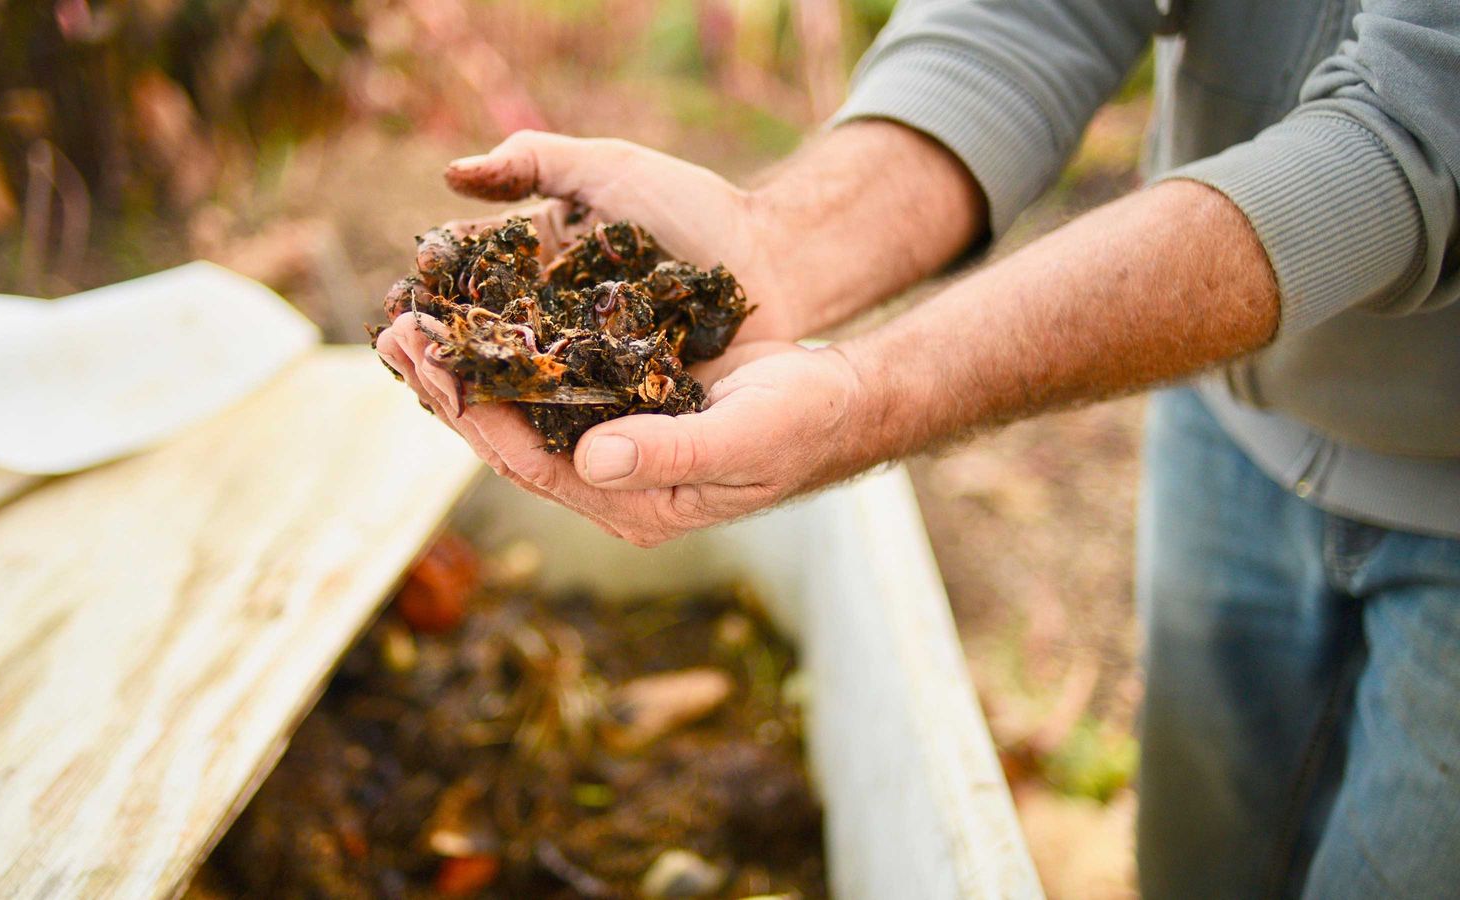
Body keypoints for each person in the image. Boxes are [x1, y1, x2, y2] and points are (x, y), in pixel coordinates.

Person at [378, 0, 1460, 894]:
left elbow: (1416, 134)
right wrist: (778, 239)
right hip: (1228, 419)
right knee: (1196, 862)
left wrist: (874, 390)